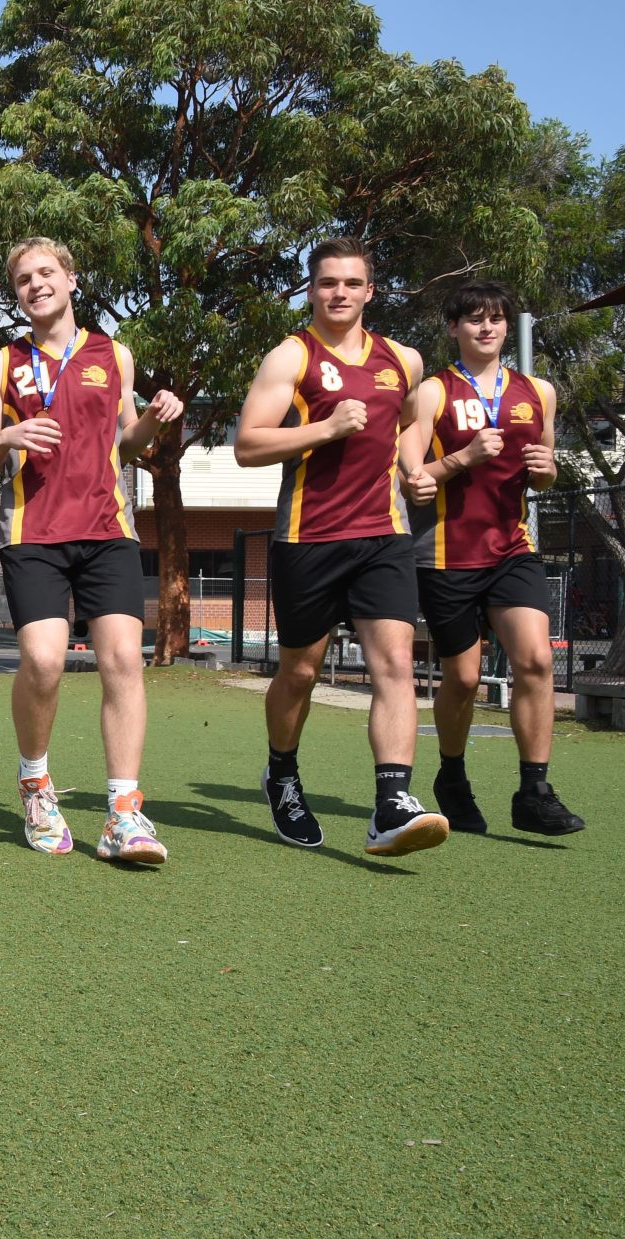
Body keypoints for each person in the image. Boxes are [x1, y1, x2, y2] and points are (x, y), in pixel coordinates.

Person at [0, 236, 184, 864]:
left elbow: (127, 442)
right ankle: (35, 783)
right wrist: (8, 435)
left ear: (71, 279)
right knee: (43, 662)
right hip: (33, 534)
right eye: (23, 279)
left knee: (124, 661)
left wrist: (154, 419)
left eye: (46, 273)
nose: (36, 285)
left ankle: (123, 814)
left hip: (108, 530)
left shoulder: (114, 354)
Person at [234, 237, 448, 855]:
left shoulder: (403, 359)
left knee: (396, 665)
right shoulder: (290, 357)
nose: (340, 293)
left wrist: (416, 470)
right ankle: (281, 773)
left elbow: (407, 423)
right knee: (300, 671)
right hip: (309, 537)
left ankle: (392, 803)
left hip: (385, 535)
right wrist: (325, 429)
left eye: (352, 283)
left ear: (370, 291)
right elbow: (248, 444)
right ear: (312, 289)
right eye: (328, 282)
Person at [400, 279, 584, 836]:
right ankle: (452, 778)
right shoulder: (432, 393)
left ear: (507, 327)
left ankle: (535, 791)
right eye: (475, 318)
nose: (487, 327)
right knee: (463, 677)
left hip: (513, 550)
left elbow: (544, 470)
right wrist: (464, 457)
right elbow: (412, 481)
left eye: (496, 319)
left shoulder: (538, 391)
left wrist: (547, 470)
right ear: (453, 327)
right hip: (446, 554)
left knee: (536, 660)